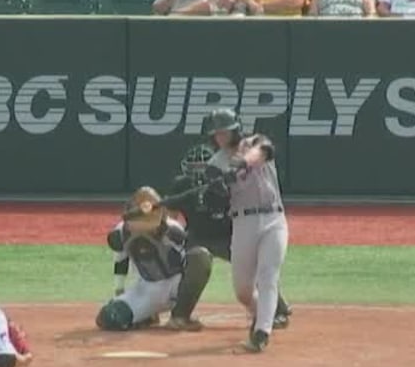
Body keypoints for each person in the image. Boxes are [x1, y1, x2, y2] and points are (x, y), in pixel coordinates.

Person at [166, 132, 292, 329]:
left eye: (202, 167)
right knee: (198, 259)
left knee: (259, 261)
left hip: (228, 236)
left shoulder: (231, 182)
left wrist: (221, 187)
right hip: (198, 238)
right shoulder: (182, 186)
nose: (198, 173)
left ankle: (277, 310)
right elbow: (170, 220)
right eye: (194, 168)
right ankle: (180, 315)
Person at [191, 108, 289, 353]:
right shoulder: (215, 163)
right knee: (244, 290)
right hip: (242, 223)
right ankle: (261, 315)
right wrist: (217, 187)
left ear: (235, 128)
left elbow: (262, 152)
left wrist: (242, 163)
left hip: (273, 219)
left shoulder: (255, 142)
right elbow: (219, 202)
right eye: (217, 134)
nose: (221, 137)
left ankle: (261, 333)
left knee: (268, 276)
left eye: (225, 132)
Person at [95, 188, 214, 332]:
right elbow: (120, 258)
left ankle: (180, 316)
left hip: (175, 287)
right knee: (110, 317)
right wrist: (119, 289)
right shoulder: (122, 232)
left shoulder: (173, 230)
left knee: (200, 256)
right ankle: (148, 315)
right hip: (147, 288)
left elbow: (190, 259)